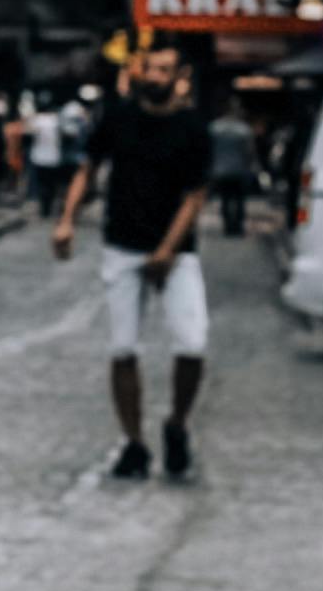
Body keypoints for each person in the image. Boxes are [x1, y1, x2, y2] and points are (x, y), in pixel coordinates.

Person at [53, 42, 212, 481]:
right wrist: (67, 219)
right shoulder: (119, 117)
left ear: (180, 75)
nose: (156, 76)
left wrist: (166, 250)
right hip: (122, 244)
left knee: (192, 343)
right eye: (150, 68)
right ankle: (134, 443)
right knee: (123, 348)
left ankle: (177, 424)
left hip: (177, 254)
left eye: (165, 69)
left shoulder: (192, 128)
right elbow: (89, 168)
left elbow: (195, 196)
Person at [208, 95, 260, 238]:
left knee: (225, 198)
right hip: (239, 170)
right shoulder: (244, 129)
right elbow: (250, 151)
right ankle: (236, 226)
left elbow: (209, 150)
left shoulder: (214, 128)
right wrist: (253, 167)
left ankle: (228, 225)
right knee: (238, 199)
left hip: (220, 169)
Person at [24, 94, 65, 218]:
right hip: (52, 156)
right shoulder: (57, 120)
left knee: (41, 183)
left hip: (40, 156)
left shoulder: (37, 120)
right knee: (50, 184)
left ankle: (43, 207)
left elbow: (28, 134)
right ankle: (46, 206)